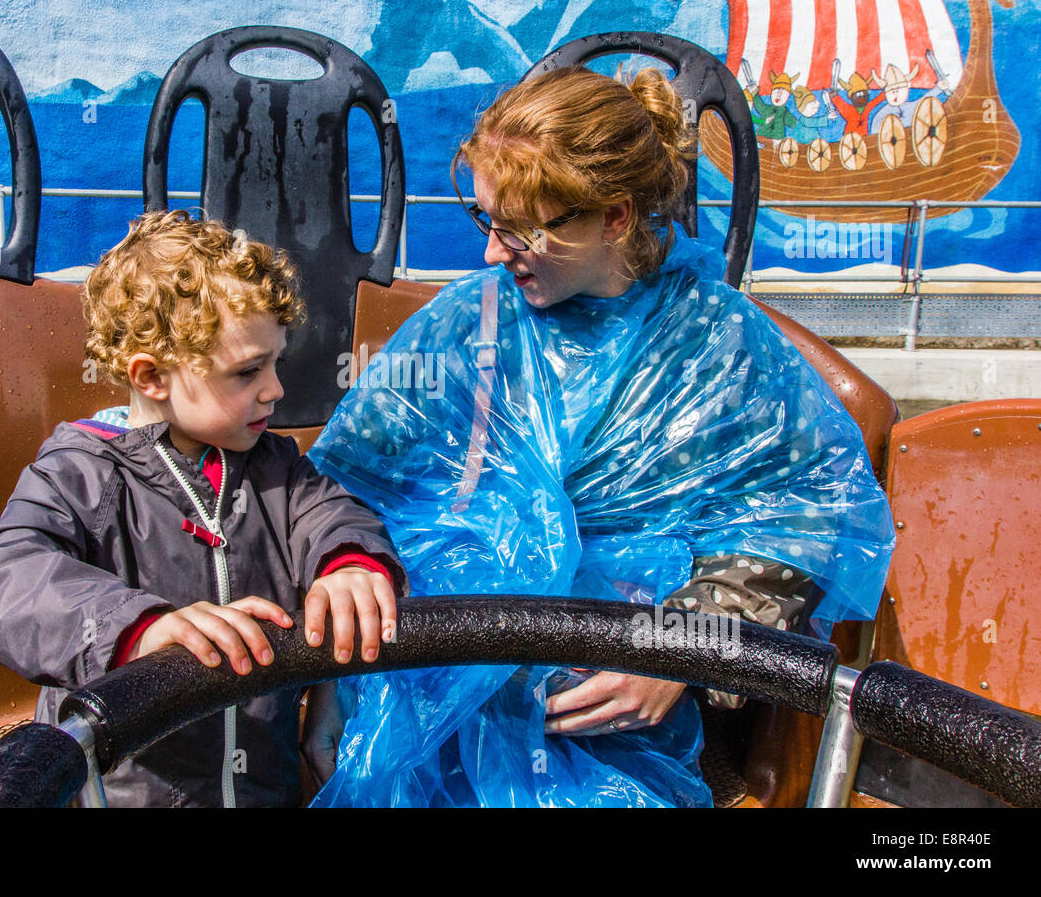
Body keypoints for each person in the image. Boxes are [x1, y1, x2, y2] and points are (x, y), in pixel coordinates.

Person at [303, 66, 895, 807]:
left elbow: (800, 514)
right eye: (488, 220)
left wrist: (677, 649)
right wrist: (333, 680)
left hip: (613, 726)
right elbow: (345, 490)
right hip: (430, 701)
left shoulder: (716, 345)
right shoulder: (467, 326)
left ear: (615, 217)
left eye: (524, 229)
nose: (492, 254)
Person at [0, 211, 405, 807]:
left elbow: (333, 516)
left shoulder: (277, 470)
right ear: (152, 376)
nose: (275, 390)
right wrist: (137, 628)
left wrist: (349, 563)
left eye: (275, 363)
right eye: (247, 371)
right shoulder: (81, 473)